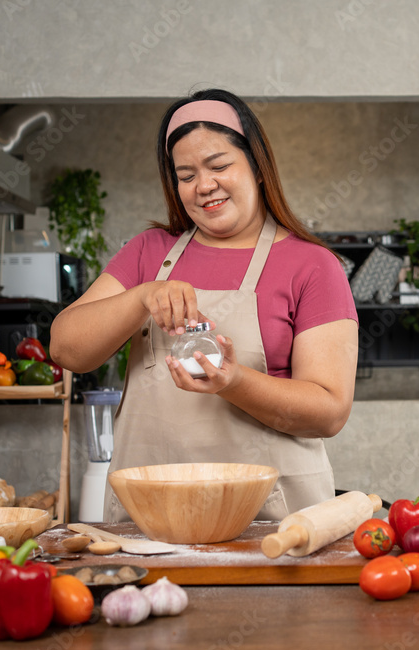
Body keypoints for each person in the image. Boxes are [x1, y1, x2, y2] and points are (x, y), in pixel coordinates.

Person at [50, 89, 359, 521]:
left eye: (219, 165)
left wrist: (232, 381)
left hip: (270, 525)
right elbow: (66, 349)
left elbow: (328, 412)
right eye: (186, 174)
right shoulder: (147, 253)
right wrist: (141, 296)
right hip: (153, 519)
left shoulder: (312, 265)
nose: (204, 185)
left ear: (257, 166)